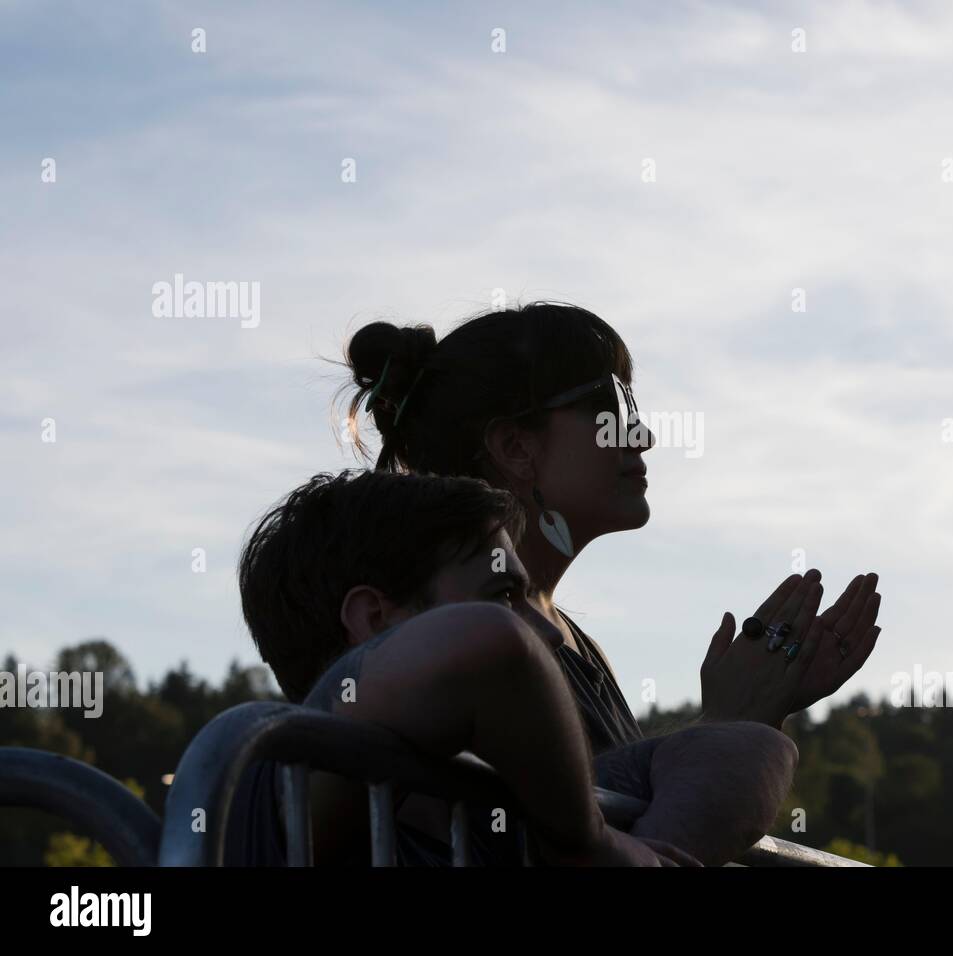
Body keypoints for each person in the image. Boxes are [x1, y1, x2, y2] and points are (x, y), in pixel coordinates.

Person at [341, 303, 883, 746]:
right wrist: (729, 725)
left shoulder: (576, 644)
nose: (641, 436)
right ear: (515, 447)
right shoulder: (464, 634)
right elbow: (556, 838)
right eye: (611, 406)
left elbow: (618, 826)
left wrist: (754, 710)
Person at [225, 469, 797, 866]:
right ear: (375, 617)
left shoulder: (521, 801)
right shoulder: (282, 772)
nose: (547, 631)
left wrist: (631, 851)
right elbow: (488, 641)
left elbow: (748, 749)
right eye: (503, 592)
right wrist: (590, 843)